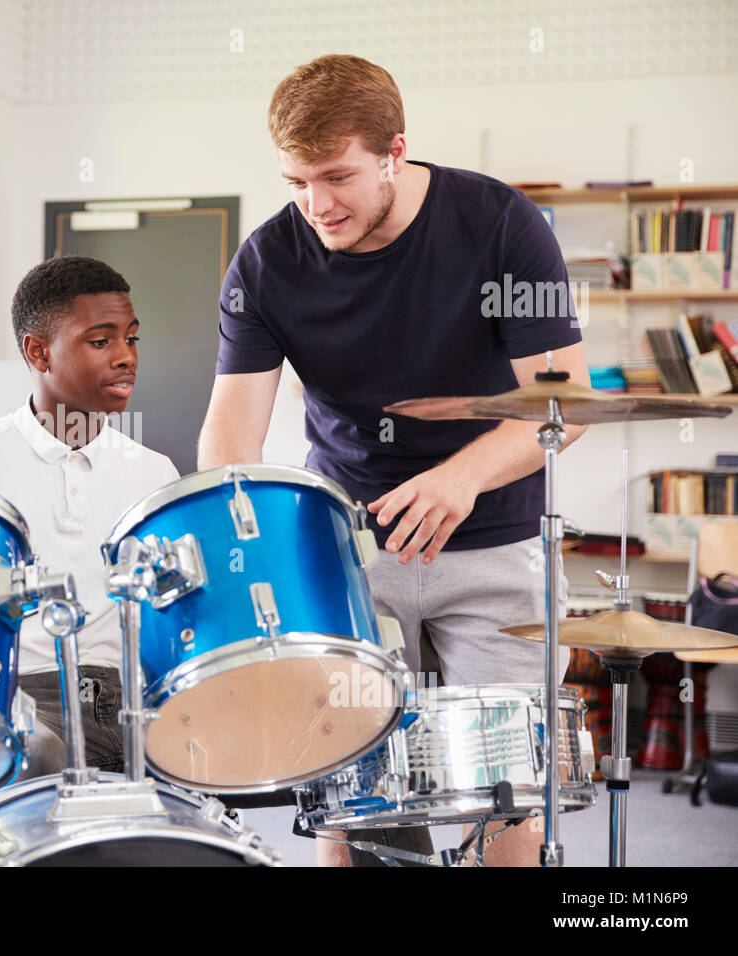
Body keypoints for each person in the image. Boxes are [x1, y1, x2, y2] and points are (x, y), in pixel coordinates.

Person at [197, 55, 588, 867]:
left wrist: (460, 477)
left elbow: (567, 401)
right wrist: (252, 543)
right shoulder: (268, 262)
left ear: (395, 152)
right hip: (350, 553)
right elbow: (230, 434)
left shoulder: (504, 224)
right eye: (296, 180)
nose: (317, 204)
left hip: (495, 541)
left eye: (336, 176)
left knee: (505, 800)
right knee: (352, 804)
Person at [0, 255, 179, 778]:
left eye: (132, 339)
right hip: (15, 698)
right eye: (101, 342)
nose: (126, 357)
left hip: (128, 702)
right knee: (42, 757)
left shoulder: (154, 472)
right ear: (38, 352)